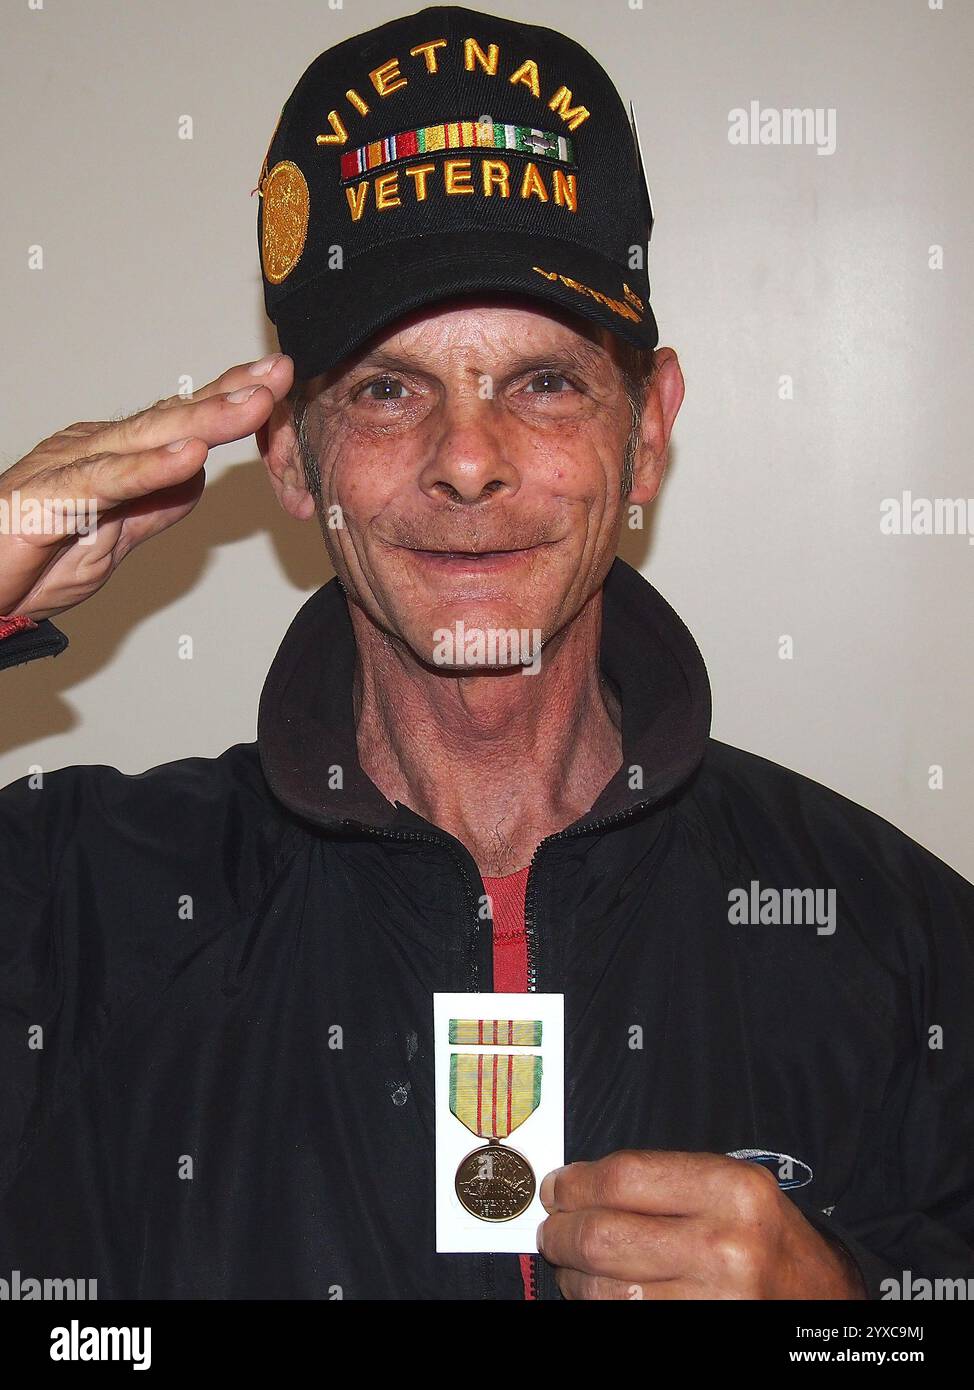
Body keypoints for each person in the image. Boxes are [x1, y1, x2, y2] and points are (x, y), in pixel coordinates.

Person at [1, 4, 971, 1302]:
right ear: (288, 450)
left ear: (647, 431)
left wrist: (847, 1323)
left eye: (545, 382)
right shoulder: (71, 910)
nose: (467, 460)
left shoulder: (899, 936)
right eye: (389, 388)